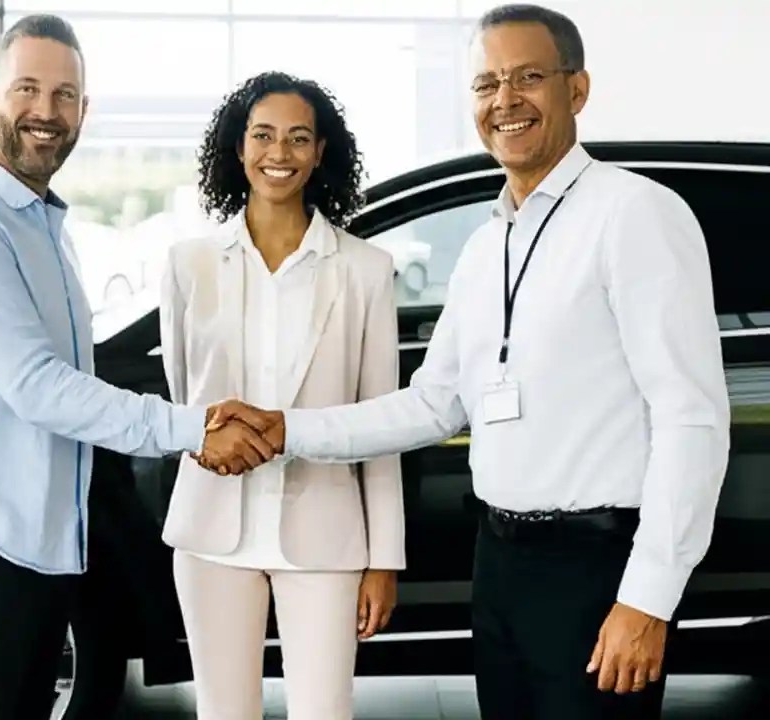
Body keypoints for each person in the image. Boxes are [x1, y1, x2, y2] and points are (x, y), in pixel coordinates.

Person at [205, 4, 731, 720]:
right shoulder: (487, 244)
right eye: (487, 84)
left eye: (528, 78)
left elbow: (690, 419)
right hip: (500, 563)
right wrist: (286, 429)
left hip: (595, 567)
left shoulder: (635, 213)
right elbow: (433, 404)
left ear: (575, 91)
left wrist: (647, 597)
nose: (505, 100)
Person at [0, 14, 273, 720]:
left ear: (84, 111)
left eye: (65, 95)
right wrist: (193, 428)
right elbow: (40, 387)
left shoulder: (44, 227)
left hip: (37, 554)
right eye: (28, 89)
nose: (47, 112)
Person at [158, 71, 403, 720]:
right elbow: (187, 404)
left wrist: (385, 560)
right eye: (263, 135)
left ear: (321, 152)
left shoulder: (366, 271)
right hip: (211, 533)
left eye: (298, 138)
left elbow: (381, 425)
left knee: (326, 712)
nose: (279, 153)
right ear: (238, 148)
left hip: (327, 534)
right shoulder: (189, 265)